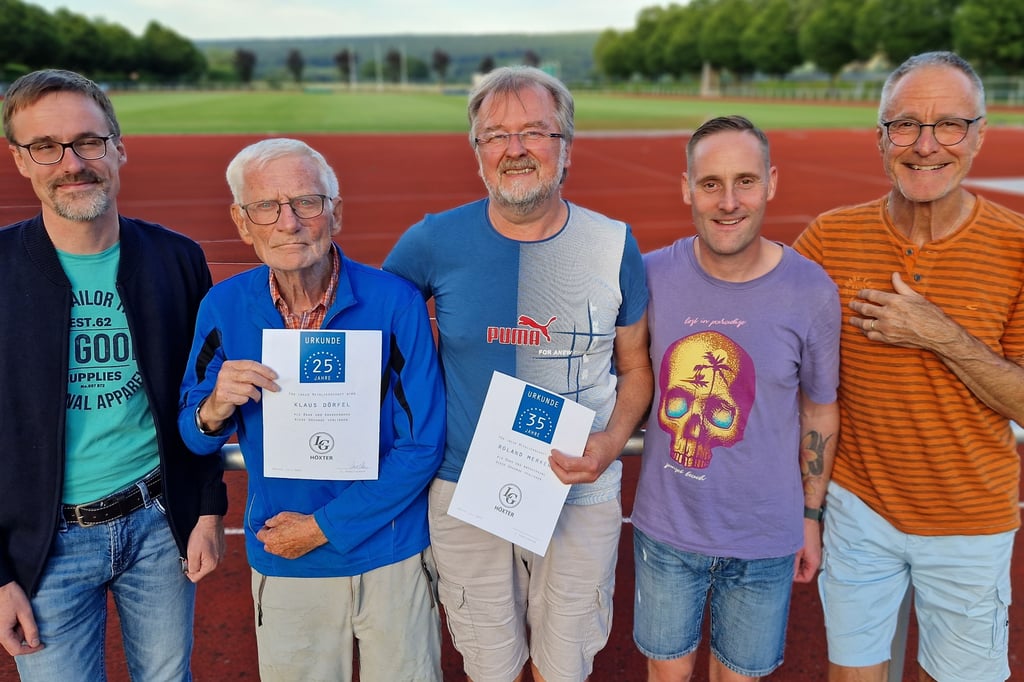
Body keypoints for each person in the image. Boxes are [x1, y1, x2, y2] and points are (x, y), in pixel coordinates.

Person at [383, 65, 653, 682]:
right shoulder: (431, 241)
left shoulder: (614, 246)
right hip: (464, 485)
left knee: (566, 664)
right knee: (488, 662)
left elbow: (636, 365)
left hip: (580, 485)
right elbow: (381, 327)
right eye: (496, 135)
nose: (515, 149)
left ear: (566, 147)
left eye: (534, 131)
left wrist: (610, 446)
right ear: (476, 152)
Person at [177, 137, 446, 681]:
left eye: (307, 202)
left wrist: (323, 528)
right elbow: (193, 432)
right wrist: (214, 408)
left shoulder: (395, 302)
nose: (289, 222)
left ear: (335, 213)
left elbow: (422, 445)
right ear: (242, 221)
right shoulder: (223, 307)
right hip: (285, 552)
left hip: (390, 552)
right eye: (266, 207)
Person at [793, 51, 1024, 682]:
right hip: (857, 509)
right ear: (880, 137)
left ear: (979, 135)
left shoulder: (1016, 246)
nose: (926, 146)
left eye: (949, 125)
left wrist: (939, 334)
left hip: (970, 519)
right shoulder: (827, 240)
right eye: (905, 126)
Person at [0, 69, 227, 680]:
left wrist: (206, 506)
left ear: (119, 147)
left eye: (88, 141)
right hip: (45, 547)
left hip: (159, 525)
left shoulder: (177, 259)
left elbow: (201, 389)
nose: (71, 163)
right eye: (45, 147)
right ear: (20, 161)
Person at [631, 115, 841, 682]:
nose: (728, 202)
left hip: (765, 536)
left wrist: (811, 516)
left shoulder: (812, 292)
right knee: (666, 675)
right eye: (711, 183)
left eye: (745, 181)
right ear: (687, 188)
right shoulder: (648, 277)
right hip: (667, 531)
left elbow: (820, 408)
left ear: (771, 182)